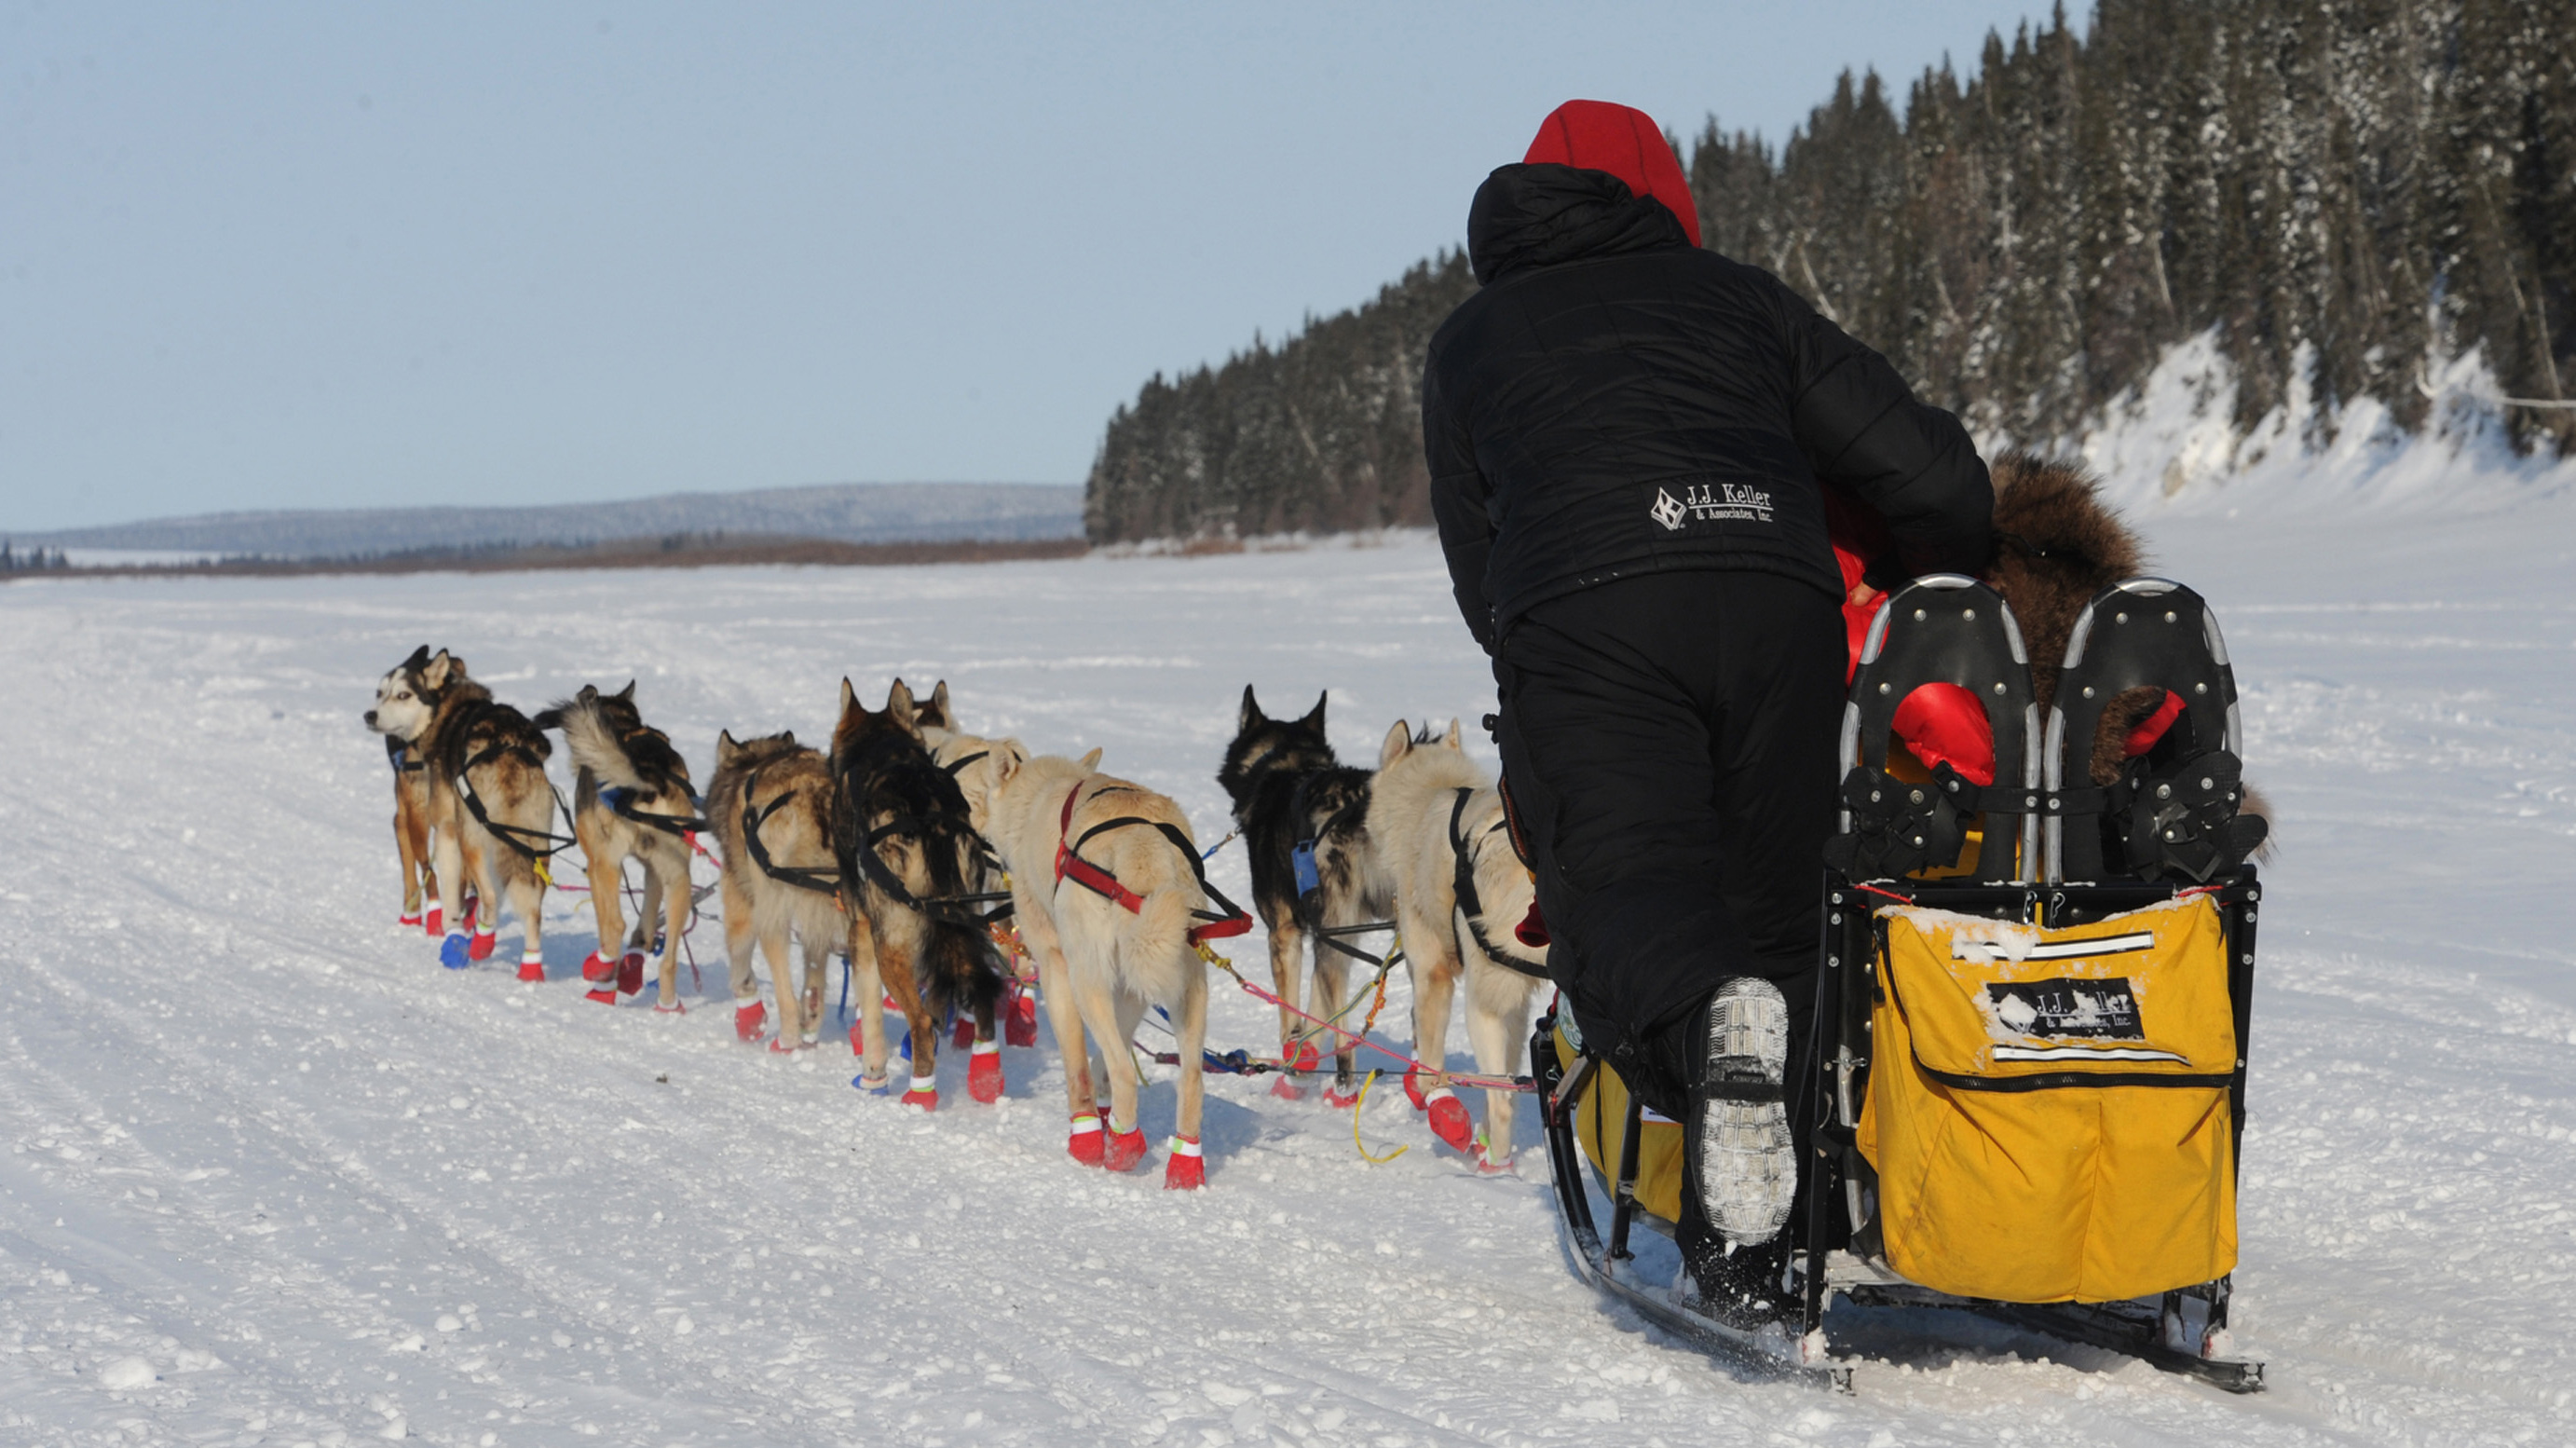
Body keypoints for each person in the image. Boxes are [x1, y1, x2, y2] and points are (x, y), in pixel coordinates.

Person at [1422, 99, 1996, 1324]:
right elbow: (1940, 480)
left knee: (1625, 888)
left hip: (1586, 617)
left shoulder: (1469, 343)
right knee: (1780, 911)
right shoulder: (1745, 300)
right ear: (1660, 201)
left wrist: (1546, 663)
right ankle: (1762, 1243)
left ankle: (1702, 1038)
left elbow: (1482, 576)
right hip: (1775, 602)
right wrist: (1906, 569)